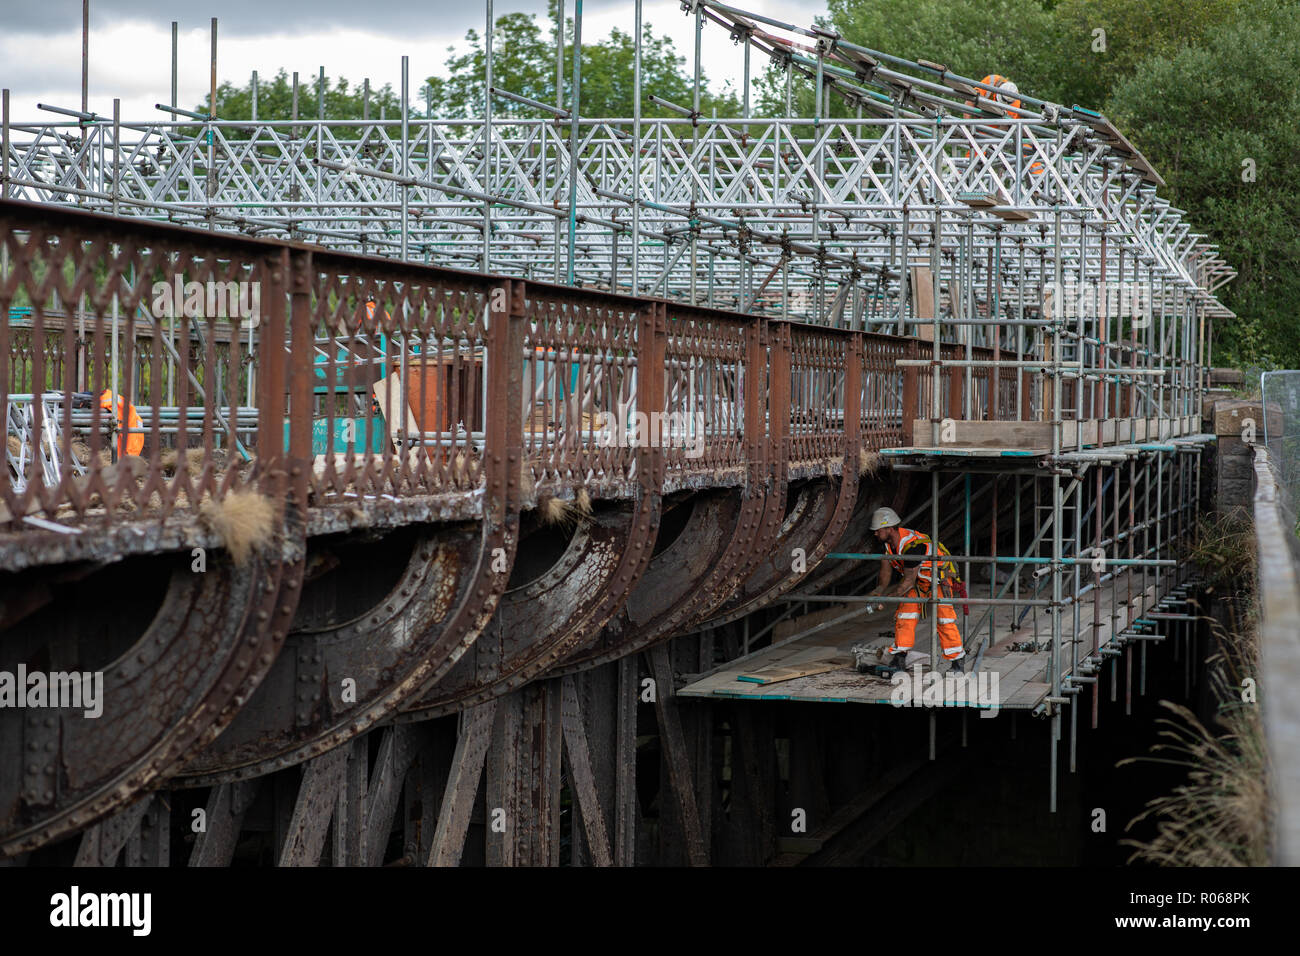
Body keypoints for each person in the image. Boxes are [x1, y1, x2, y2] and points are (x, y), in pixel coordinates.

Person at [867, 507, 965, 673]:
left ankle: (957, 661)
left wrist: (888, 598)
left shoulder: (912, 546)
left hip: (938, 581)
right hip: (919, 581)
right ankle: (899, 658)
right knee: (905, 615)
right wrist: (879, 590)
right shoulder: (888, 544)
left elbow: (908, 582)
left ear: (889, 528)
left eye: (877, 530)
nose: (875, 534)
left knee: (944, 619)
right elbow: (886, 570)